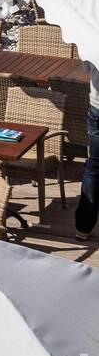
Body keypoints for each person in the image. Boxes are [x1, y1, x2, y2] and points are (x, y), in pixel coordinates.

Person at [76, 64, 99, 240]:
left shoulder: (94, 38)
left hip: (97, 107)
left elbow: (86, 66)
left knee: (94, 166)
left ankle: (83, 228)